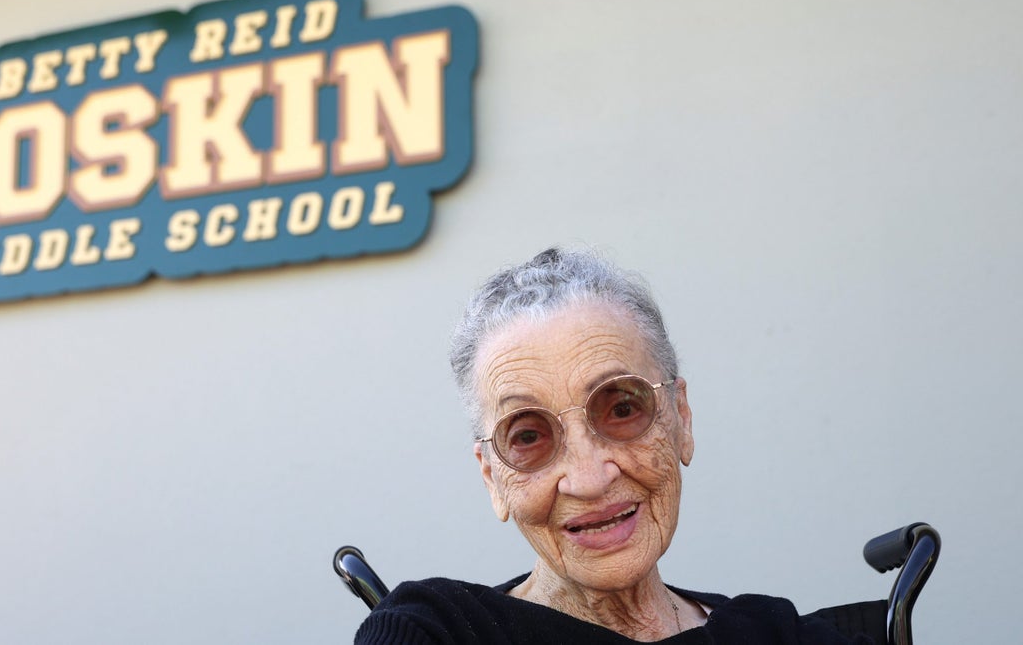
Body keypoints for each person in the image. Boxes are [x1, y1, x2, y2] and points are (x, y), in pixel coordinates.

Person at [355, 248, 878, 644]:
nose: (589, 477)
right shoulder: (437, 629)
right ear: (493, 477)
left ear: (681, 418)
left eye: (623, 408)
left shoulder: (777, 634)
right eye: (529, 435)